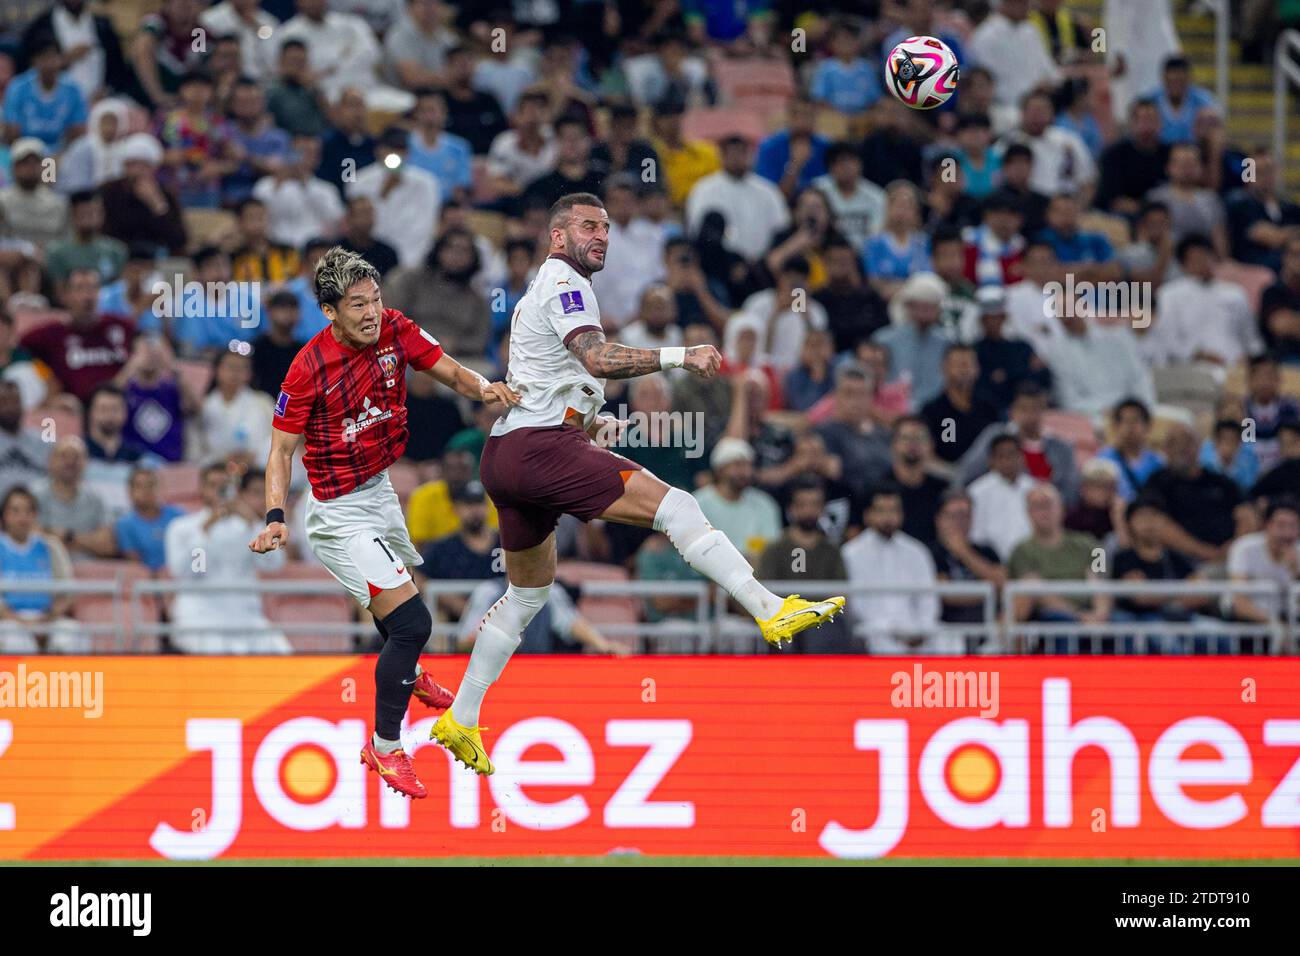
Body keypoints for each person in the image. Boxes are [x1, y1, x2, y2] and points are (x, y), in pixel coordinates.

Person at [430, 193, 845, 776]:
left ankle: (461, 718)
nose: (600, 236)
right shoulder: (565, 284)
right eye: (587, 227)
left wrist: (590, 418)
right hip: (540, 447)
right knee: (678, 506)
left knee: (527, 595)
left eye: (605, 228)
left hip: (509, 454)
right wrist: (682, 354)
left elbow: (555, 374)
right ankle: (769, 607)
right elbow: (598, 359)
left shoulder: (546, 290)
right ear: (557, 236)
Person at [248, 246, 514, 798]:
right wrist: (275, 516)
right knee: (415, 625)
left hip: (380, 492)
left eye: (375, 299)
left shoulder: (394, 328)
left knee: (400, 613)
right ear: (328, 311)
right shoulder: (308, 367)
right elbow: (280, 452)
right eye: (356, 304)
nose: (371, 312)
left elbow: (446, 369)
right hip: (337, 510)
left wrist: (485, 389)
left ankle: (408, 676)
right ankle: (386, 748)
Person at [841, 484, 947, 654]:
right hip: (873, 631)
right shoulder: (851, 554)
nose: (888, 517)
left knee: (947, 639)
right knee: (880, 643)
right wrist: (891, 630)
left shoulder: (917, 551)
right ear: (868, 515)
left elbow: (929, 600)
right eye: (881, 511)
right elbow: (856, 606)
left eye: (894, 510)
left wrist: (920, 629)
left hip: (915, 630)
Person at [0, 486, 83, 654]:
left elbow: (69, 592)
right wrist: (23, 623)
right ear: (4, 516)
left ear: (35, 515)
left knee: (71, 634)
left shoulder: (51, 546)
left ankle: (66, 680)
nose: (22, 518)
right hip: (10, 620)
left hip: (48, 617)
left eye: (28, 511)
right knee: (15, 641)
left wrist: (48, 618)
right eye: (15, 511)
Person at [1227, 496, 1300, 651]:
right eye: (1281, 525)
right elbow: (1239, 602)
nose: (1287, 533)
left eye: (1293, 526)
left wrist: (1296, 572)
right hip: (1249, 623)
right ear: (1267, 525)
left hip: (1288, 621)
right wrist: (1275, 624)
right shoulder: (1245, 548)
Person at [967, 432, 1035, 561]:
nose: (1008, 461)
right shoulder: (977, 491)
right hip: (991, 561)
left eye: (1012, 454)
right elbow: (975, 535)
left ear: (1022, 457)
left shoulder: (1035, 488)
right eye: (1001, 456)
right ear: (991, 460)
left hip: (1031, 562)